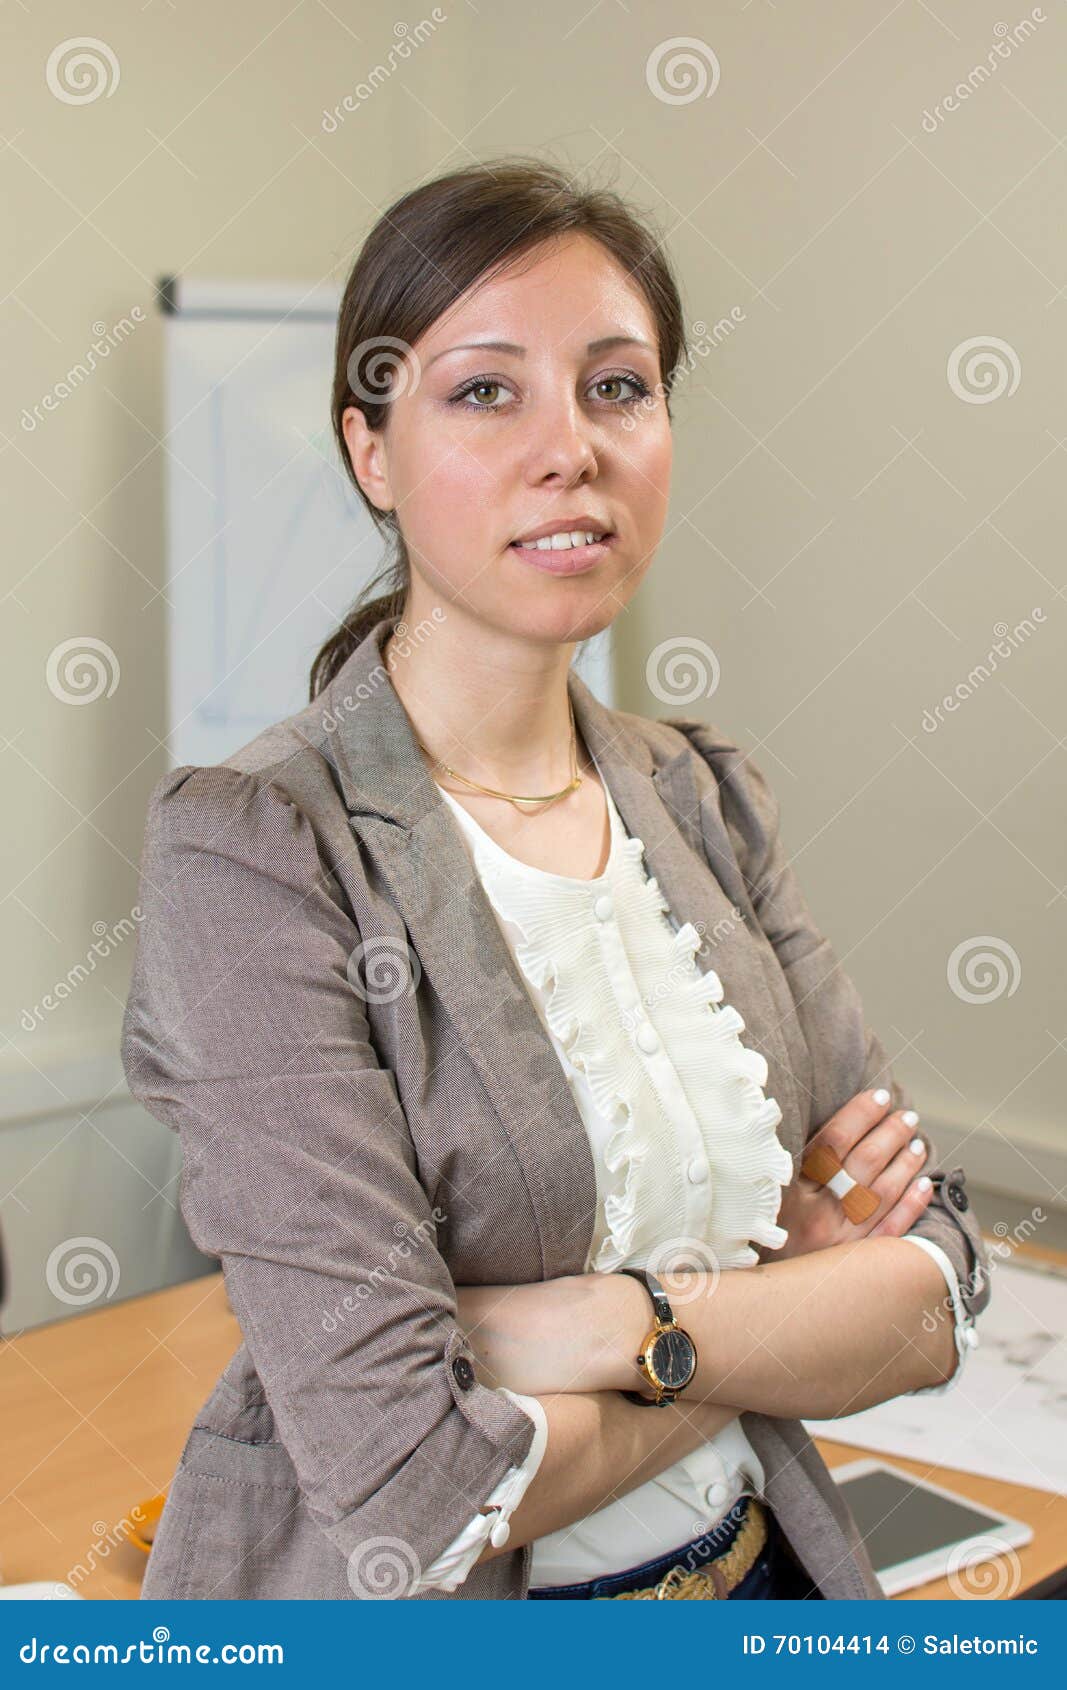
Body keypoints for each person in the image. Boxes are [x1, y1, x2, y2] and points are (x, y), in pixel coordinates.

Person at [121, 157, 991, 1602]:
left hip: (766, 1579)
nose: (568, 447)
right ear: (371, 454)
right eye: (482, 391)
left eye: (617, 386)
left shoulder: (708, 796)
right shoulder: (257, 849)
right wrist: (764, 1323)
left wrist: (605, 1321)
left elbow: (938, 1284)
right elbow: (420, 1478)